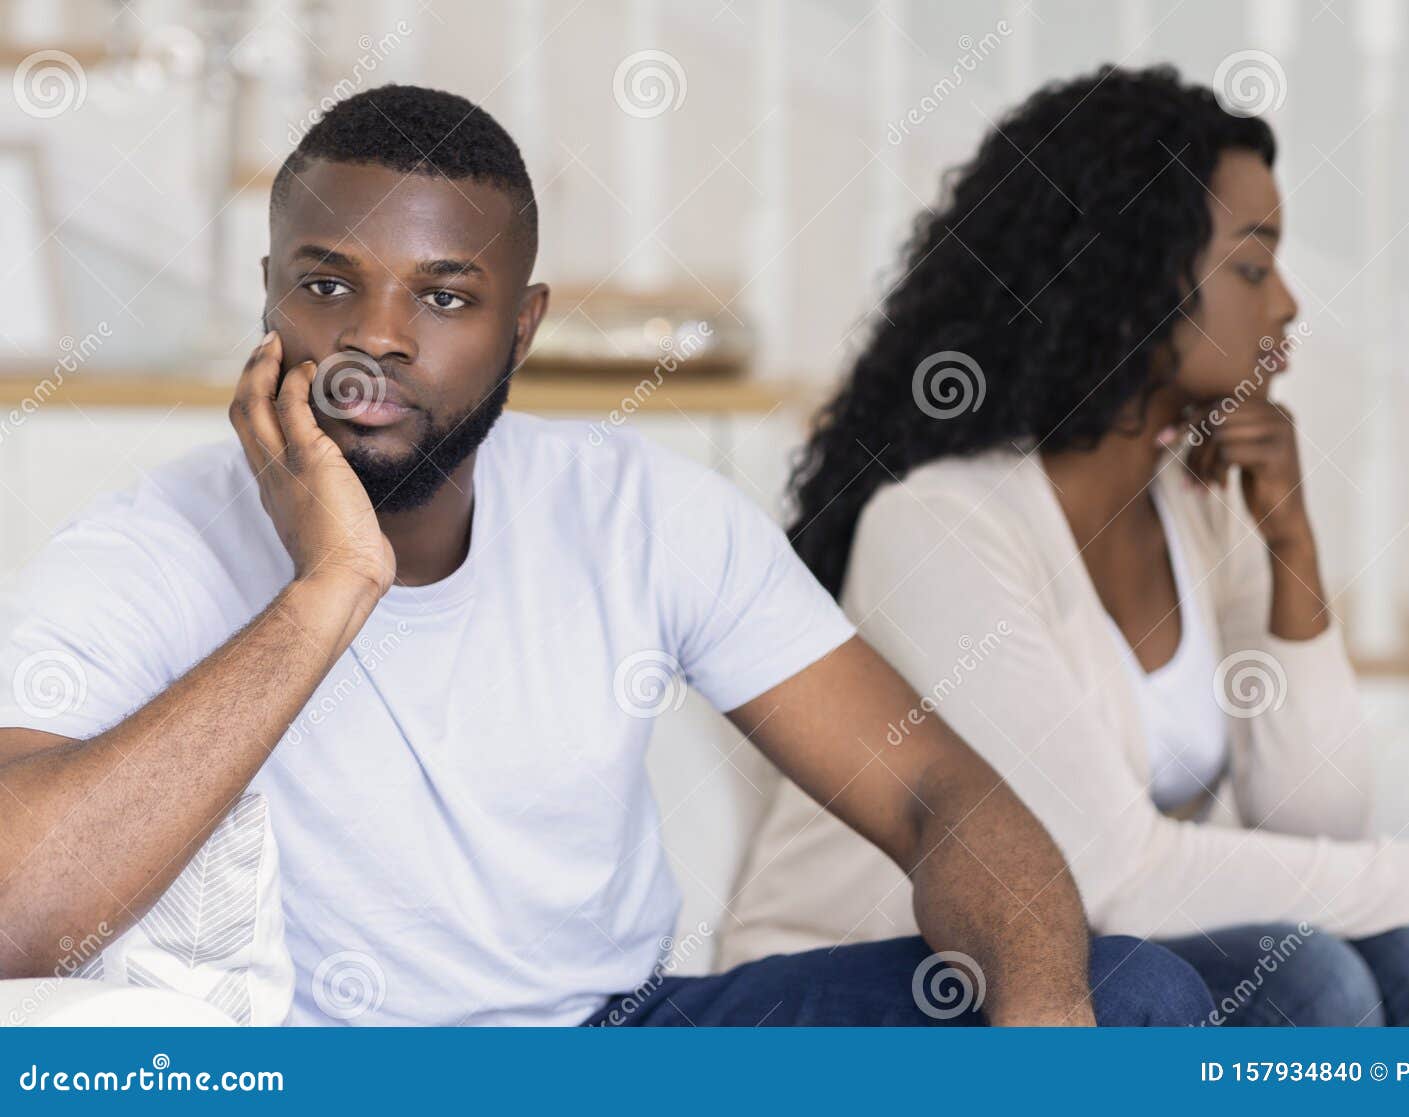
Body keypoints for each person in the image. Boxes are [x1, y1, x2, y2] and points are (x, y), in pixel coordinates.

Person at [0, 84, 1212, 1028]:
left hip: (617, 1044)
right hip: (322, 1068)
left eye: (445, 296)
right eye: (329, 284)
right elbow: (19, 915)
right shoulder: (142, 552)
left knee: (1132, 997)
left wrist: (1047, 1020)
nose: (376, 338)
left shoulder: (642, 511)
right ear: (268, 298)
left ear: (522, 322)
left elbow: (936, 792)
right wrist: (332, 589)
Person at [719, 66, 1409, 1027]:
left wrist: (1293, 547)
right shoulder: (941, 527)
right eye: (1252, 266)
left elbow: (1315, 818)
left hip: (1096, 959)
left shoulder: (1198, 511)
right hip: (888, 980)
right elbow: (1105, 872)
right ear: (1133, 272)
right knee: (1317, 977)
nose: (1287, 308)